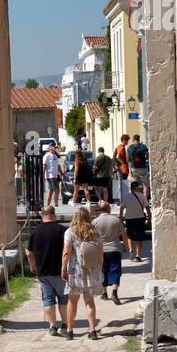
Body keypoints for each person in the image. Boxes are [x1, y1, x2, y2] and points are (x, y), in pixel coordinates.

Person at [25, 206, 69, 336]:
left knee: (48, 299)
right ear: (54, 215)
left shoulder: (35, 232)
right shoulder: (62, 230)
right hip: (60, 271)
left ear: (42, 215)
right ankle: (65, 325)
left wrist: (33, 266)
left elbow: (29, 253)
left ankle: (52, 326)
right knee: (63, 299)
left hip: (43, 271)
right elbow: (68, 250)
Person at [60, 207, 103, 339]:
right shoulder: (95, 232)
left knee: (72, 302)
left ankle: (70, 331)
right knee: (89, 302)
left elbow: (66, 252)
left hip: (75, 271)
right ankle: (92, 331)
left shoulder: (70, 232)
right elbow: (100, 253)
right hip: (91, 270)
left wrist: (63, 268)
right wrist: (99, 269)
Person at [92, 200, 131, 304]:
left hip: (100, 251)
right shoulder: (116, 220)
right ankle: (114, 292)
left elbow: (92, 238)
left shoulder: (95, 222)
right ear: (108, 208)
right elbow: (124, 235)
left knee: (103, 271)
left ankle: (104, 293)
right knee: (115, 271)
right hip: (114, 249)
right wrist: (127, 247)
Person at [119, 180, 151, 262]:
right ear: (138, 188)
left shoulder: (126, 196)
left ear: (131, 188)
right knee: (139, 238)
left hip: (129, 219)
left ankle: (131, 251)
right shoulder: (142, 196)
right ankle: (138, 255)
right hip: (140, 219)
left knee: (130, 236)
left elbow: (122, 208)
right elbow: (147, 208)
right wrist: (149, 218)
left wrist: (121, 218)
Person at [127, 134, 150, 199]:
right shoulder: (143, 147)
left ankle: (135, 200)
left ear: (133, 140)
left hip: (133, 168)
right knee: (145, 185)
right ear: (139, 139)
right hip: (143, 168)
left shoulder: (129, 148)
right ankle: (145, 200)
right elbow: (147, 156)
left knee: (134, 185)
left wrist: (129, 169)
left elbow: (128, 160)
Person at [43, 144, 64, 208]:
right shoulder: (47, 155)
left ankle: (48, 205)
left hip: (56, 175)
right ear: (50, 148)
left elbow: (58, 165)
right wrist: (43, 175)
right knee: (57, 190)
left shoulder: (55, 155)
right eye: (53, 147)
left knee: (51, 191)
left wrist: (61, 173)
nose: (55, 148)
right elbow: (44, 165)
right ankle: (56, 204)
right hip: (50, 176)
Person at [113, 134, 130, 202]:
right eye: (127, 140)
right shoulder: (121, 148)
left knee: (122, 184)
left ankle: (121, 200)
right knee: (123, 184)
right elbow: (117, 157)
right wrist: (123, 163)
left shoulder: (119, 147)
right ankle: (121, 201)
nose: (127, 142)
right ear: (124, 140)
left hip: (120, 168)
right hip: (122, 169)